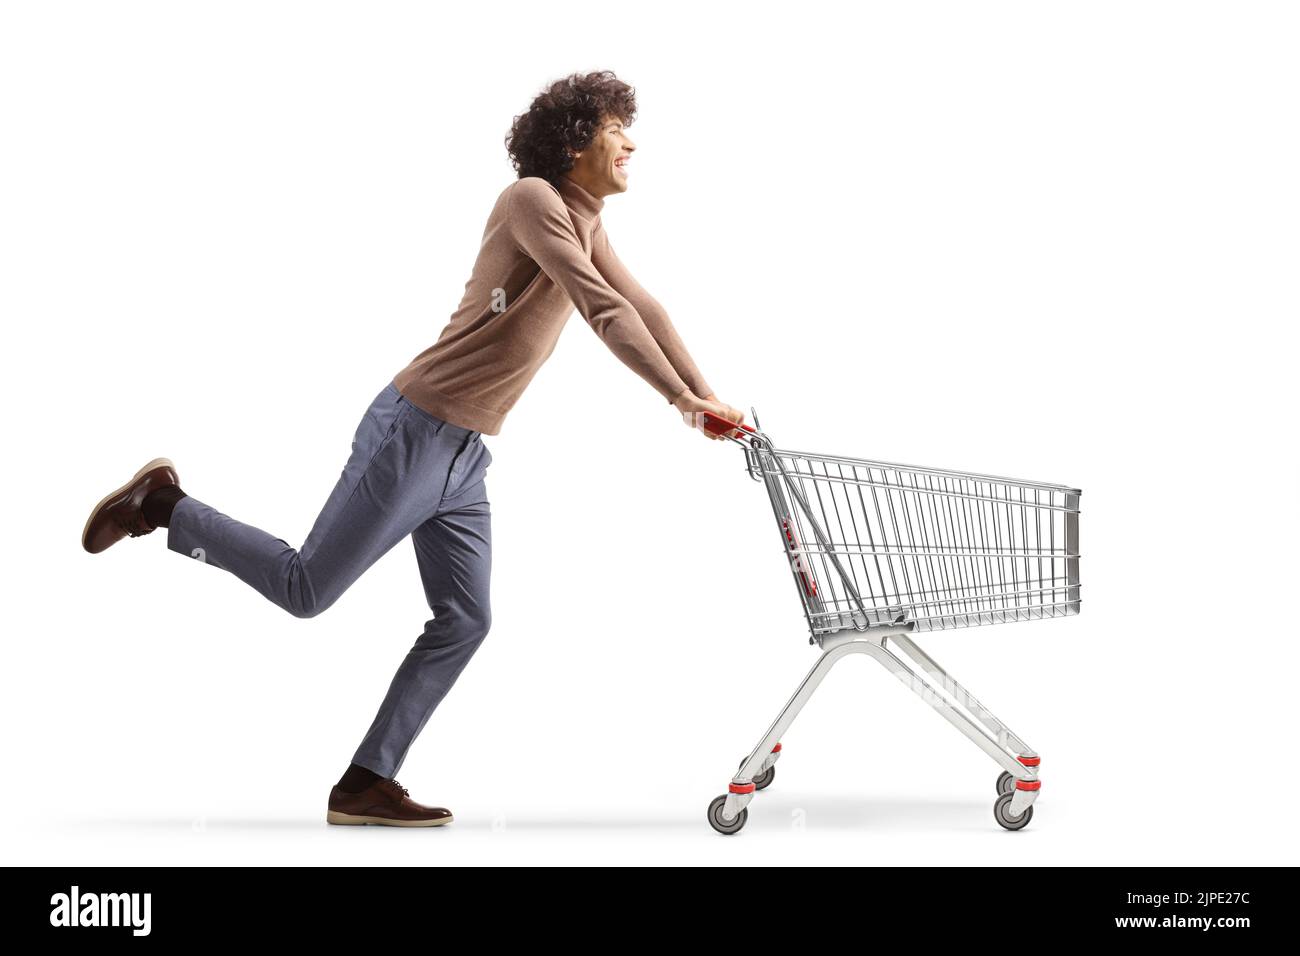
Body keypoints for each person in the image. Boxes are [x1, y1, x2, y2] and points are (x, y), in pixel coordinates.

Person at [81, 70, 745, 828]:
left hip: (464, 458)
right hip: (416, 431)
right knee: (307, 591)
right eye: (613, 128)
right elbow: (601, 309)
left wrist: (706, 391)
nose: (630, 140)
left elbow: (641, 304)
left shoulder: (587, 219)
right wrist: (681, 403)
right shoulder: (533, 200)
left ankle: (366, 781)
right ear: (570, 143)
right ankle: (165, 505)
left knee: (465, 618)